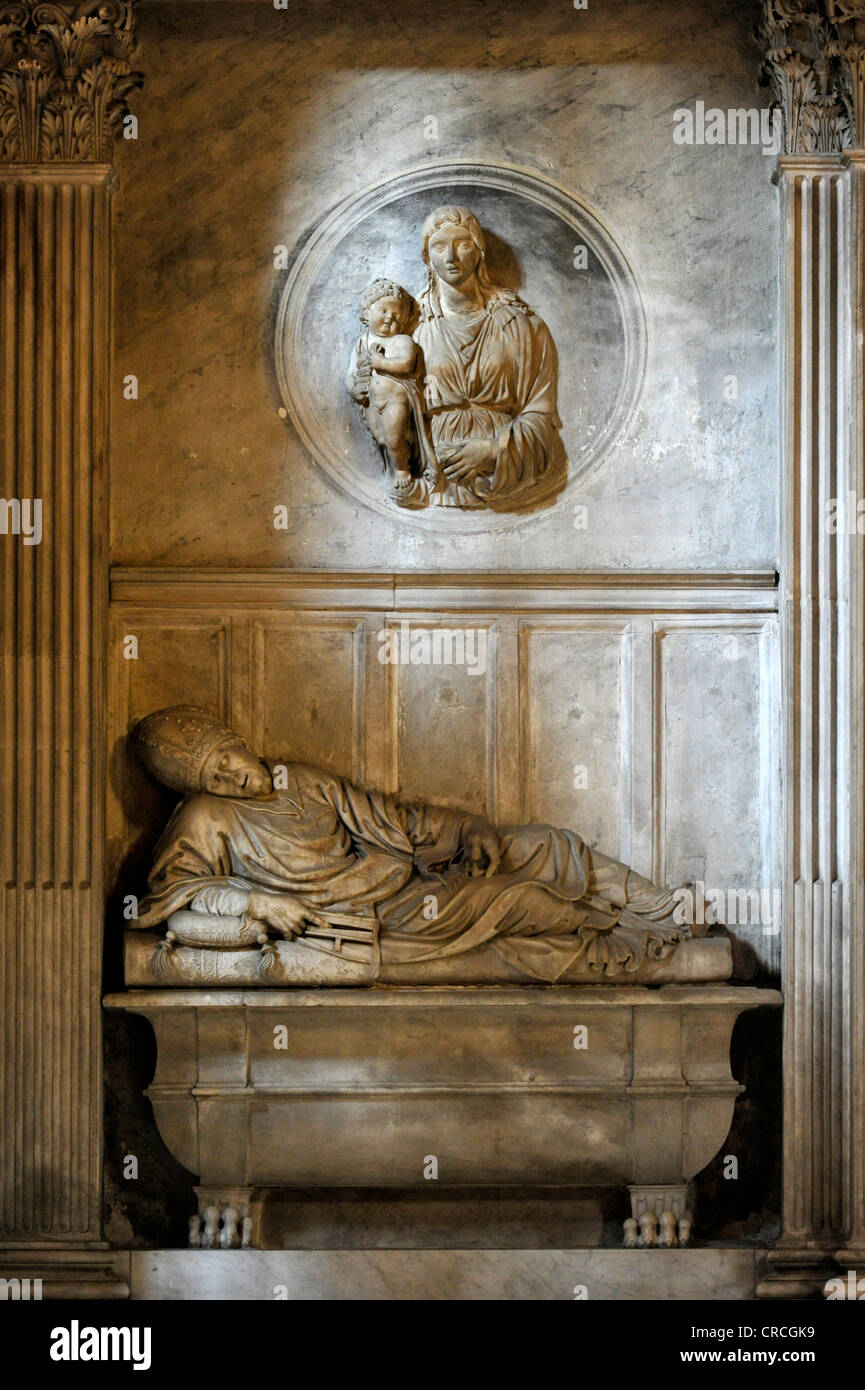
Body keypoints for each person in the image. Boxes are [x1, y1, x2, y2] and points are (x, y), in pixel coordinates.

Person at [130, 705, 693, 984]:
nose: (233, 779)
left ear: (241, 743)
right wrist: (258, 903)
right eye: (215, 778)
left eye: (229, 761)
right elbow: (170, 893)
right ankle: (644, 944)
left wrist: (469, 828)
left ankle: (662, 910)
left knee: (545, 843)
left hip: (402, 867)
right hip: (371, 911)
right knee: (523, 901)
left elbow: (390, 816)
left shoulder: (296, 778)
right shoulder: (207, 816)